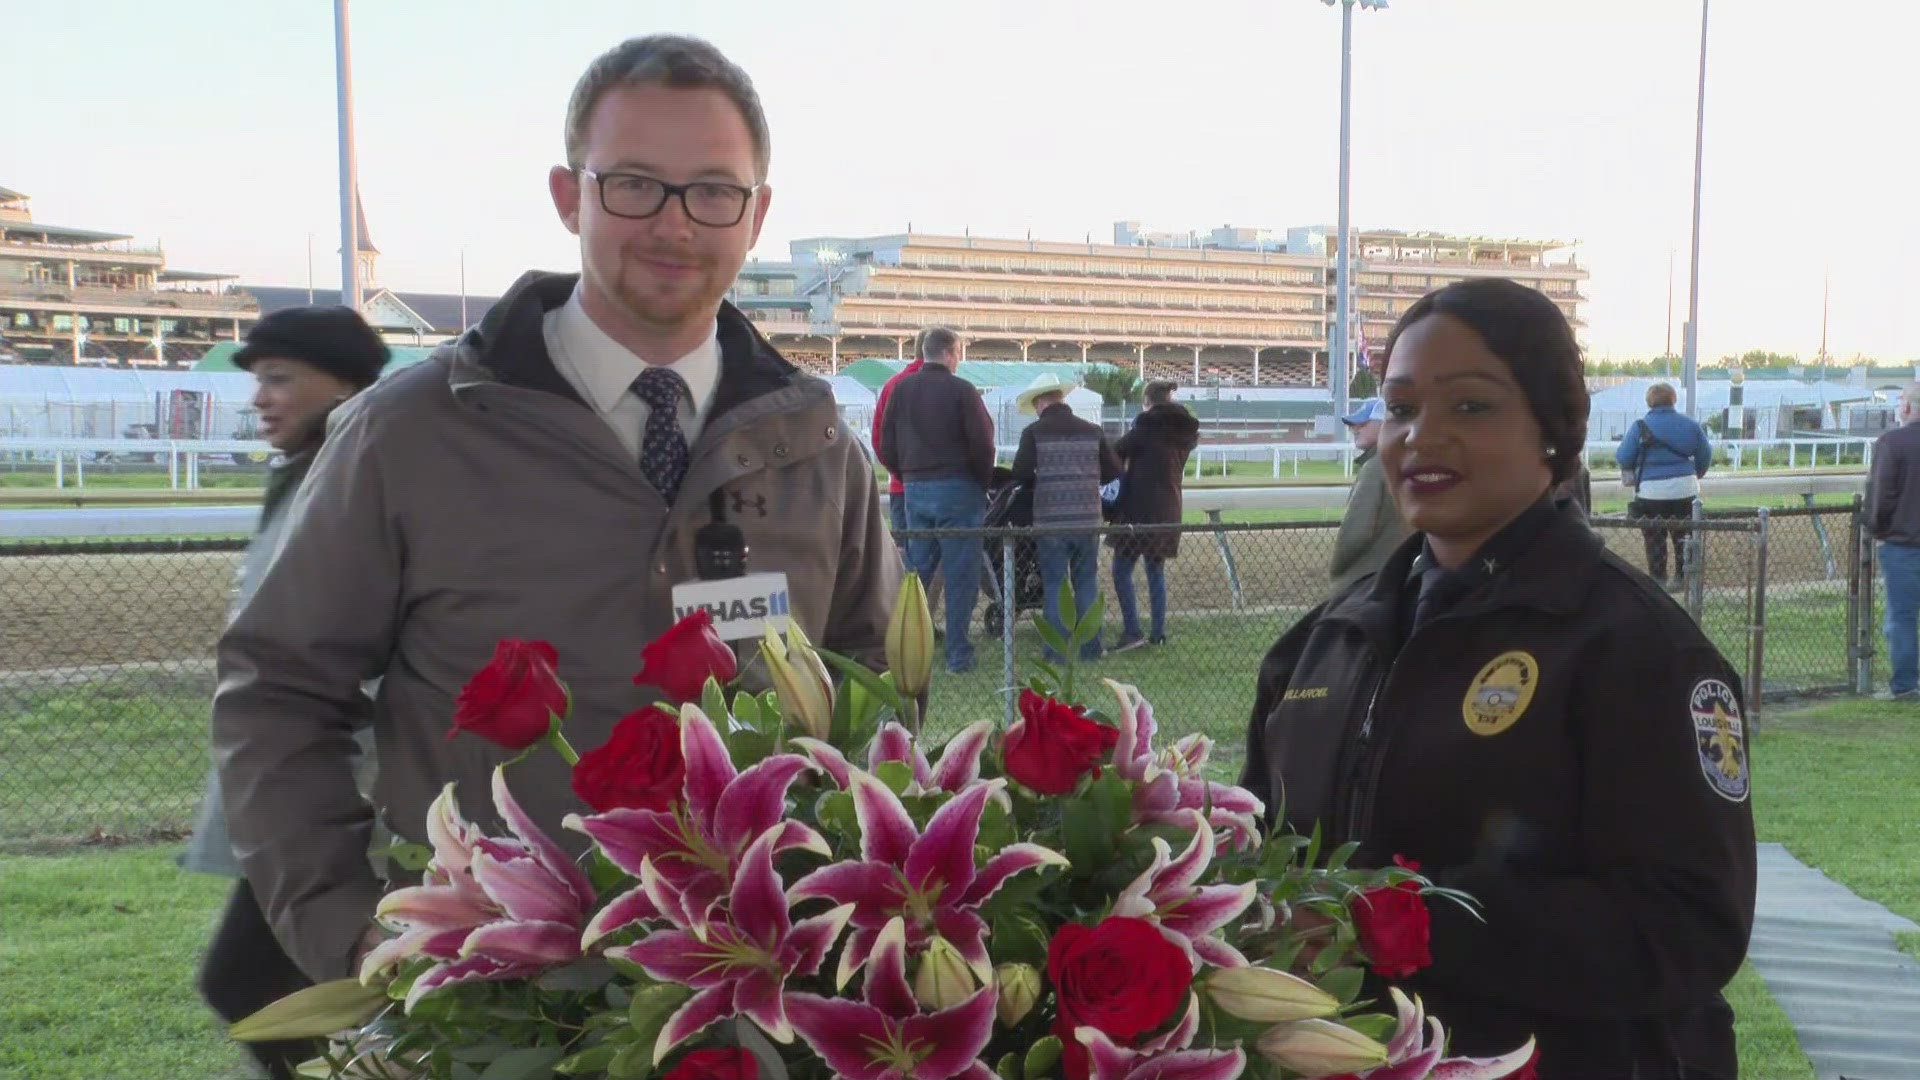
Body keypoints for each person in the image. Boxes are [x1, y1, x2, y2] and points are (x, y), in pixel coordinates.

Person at [212, 34, 900, 988]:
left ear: (757, 215)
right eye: (634, 185)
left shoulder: (817, 447)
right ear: (568, 195)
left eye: (713, 191)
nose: (675, 224)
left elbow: (871, 690)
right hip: (497, 1005)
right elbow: (280, 691)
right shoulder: (408, 435)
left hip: (755, 988)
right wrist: (349, 932)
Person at [1240, 279, 1755, 1079]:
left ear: (1552, 429)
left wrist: (1411, 922)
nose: (1421, 436)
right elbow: (1253, 854)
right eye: (1401, 408)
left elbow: (1689, 925)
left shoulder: (1637, 650)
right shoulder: (1322, 643)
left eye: (1471, 406)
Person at [182, 306, 389, 1078]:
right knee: (286, 992)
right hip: (293, 786)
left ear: (345, 386)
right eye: (258, 380)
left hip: (333, 790)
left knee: (247, 983)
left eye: (279, 378)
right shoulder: (307, 472)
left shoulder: (353, 479)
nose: (261, 397)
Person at [875, 326, 995, 672]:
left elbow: (885, 442)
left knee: (916, 574)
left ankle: (902, 651)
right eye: (958, 354)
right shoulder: (962, 391)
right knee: (960, 576)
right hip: (958, 489)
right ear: (949, 353)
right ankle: (958, 655)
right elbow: (983, 443)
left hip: (915, 489)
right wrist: (980, 482)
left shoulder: (901, 389)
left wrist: (905, 473)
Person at [1010, 373, 1121, 661]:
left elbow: (1020, 473)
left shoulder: (1034, 433)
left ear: (1040, 402)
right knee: (1086, 582)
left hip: (1051, 521)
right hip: (1088, 519)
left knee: (1055, 585)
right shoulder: (1093, 431)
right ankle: (1091, 648)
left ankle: (1057, 651)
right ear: (1061, 399)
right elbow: (1112, 472)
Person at [1107, 380, 1199, 651]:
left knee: (1121, 569)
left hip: (1138, 510)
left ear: (1148, 401)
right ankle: (1157, 633)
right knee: (1155, 570)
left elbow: (1115, 451)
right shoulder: (1183, 431)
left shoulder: (1145, 428)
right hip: (1169, 508)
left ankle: (1132, 630)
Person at [1616, 382, 1713, 586]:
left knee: (1654, 538)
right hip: (1685, 488)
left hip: (1651, 492)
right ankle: (1683, 579)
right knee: (1684, 536)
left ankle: (1658, 580)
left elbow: (1623, 457)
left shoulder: (1639, 427)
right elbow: (1705, 454)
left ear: (1649, 402)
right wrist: (1696, 474)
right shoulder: (1690, 425)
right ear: (1673, 399)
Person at [1866, 382, 1920, 700]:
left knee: (1901, 617)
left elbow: (1881, 494)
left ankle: (1905, 685)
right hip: (1904, 543)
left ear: (1907, 407)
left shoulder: (1892, 443)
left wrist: (1875, 528)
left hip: (1902, 545)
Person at [1328, 396, 1411, 593]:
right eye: (1354, 425)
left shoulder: (1374, 468)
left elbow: (1355, 532)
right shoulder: (1408, 462)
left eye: (1363, 424)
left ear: (1384, 425)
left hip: (1366, 584)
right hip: (1402, 577)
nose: (1354, 429)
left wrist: (1336, 570)